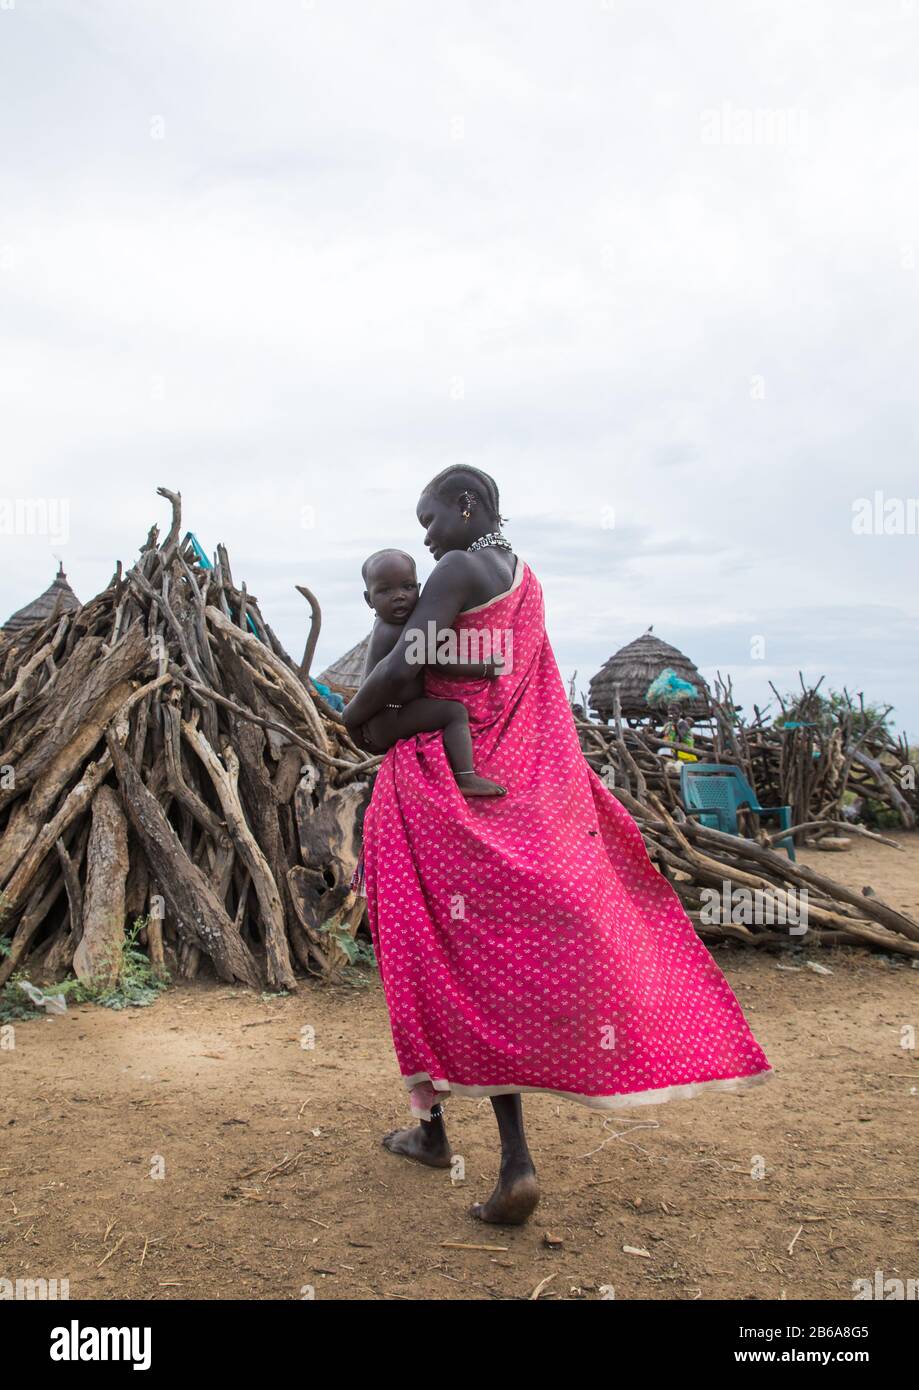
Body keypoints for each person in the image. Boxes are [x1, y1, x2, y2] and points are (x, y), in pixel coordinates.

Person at [343, 465, 773, 1226]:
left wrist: (352, 721)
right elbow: (489, 671)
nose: (425, 535)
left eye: (430, 518)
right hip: (511, 792)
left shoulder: (455, 568)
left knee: (425, 964)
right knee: (486, 972)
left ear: (466, 506)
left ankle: (451, 1138)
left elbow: (407, 663)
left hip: (436, 794)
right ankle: (495, 1154)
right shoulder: (522, 577)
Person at [353, 548, 506, 797]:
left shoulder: (390, 626)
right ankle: (466, 777)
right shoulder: (394, 632)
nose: (399, 596)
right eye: (385, 591)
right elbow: (439, 661)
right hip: (390, 717)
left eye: (408, 587)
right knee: (454, 712)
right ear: (368, 599)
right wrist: (485, 667)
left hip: (385, 717)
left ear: (420, 588)